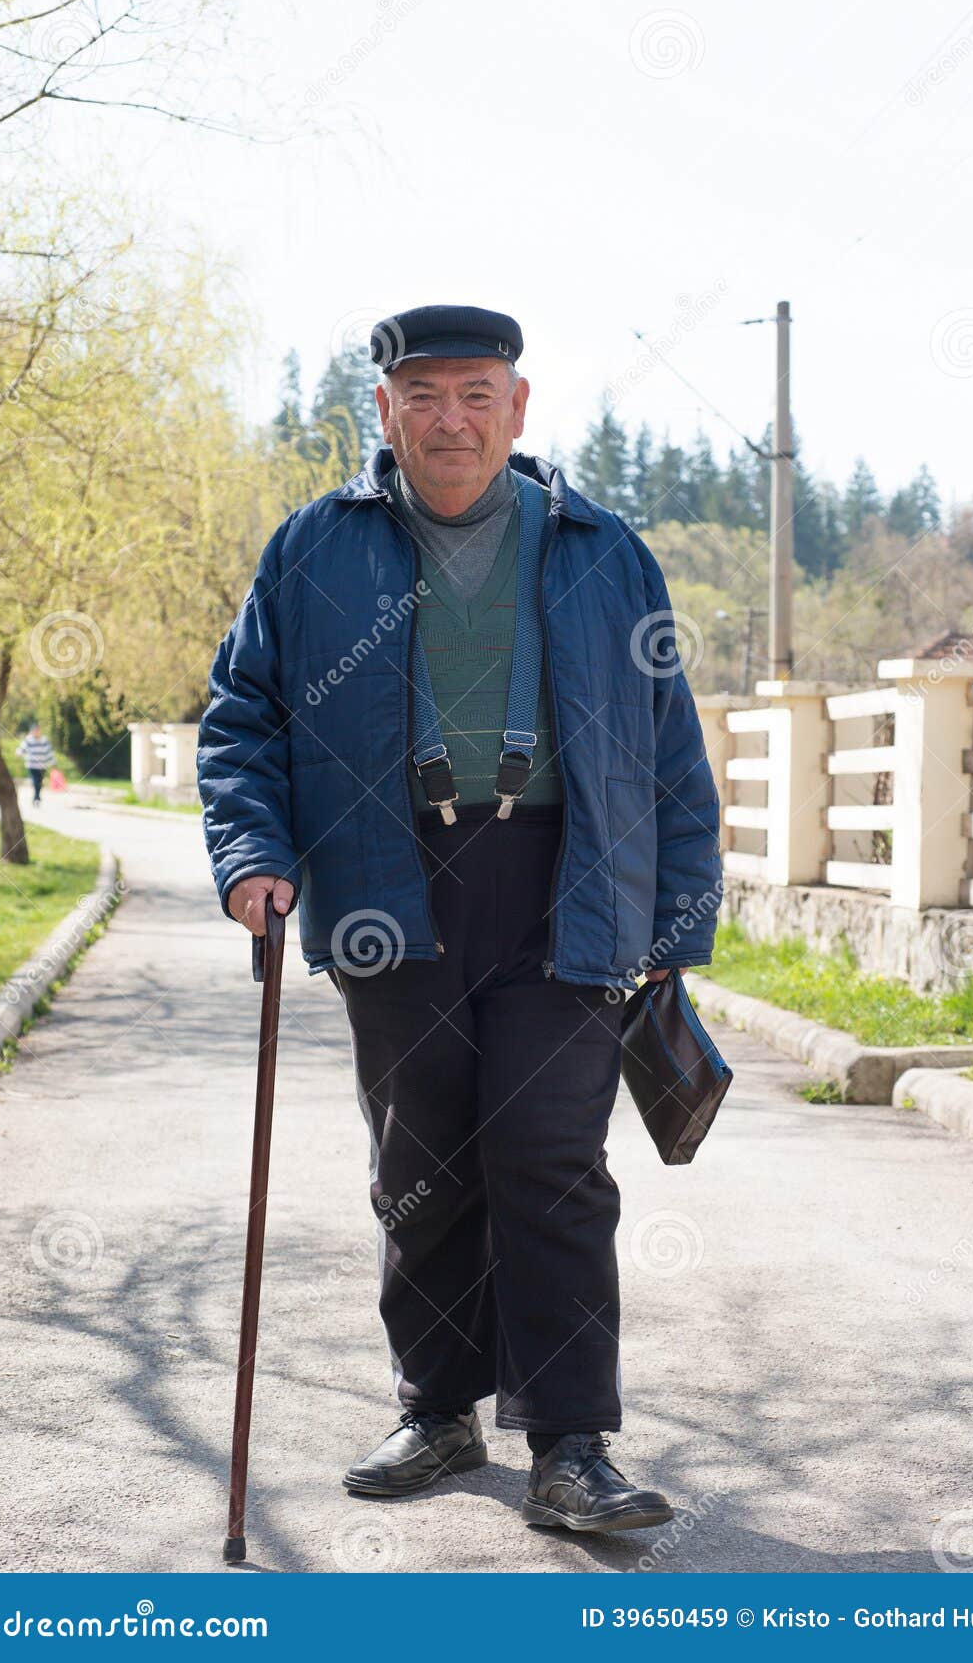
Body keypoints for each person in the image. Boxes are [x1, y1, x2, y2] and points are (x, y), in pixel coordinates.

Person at [198, 305, 722, 1535]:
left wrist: (679, 924)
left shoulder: (601, 549)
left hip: (571, 884)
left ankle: (573, 1443)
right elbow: (243, 718)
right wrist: (253, 856)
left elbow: (670, 751)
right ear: (382, 411)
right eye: (423, 395)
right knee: (420, 1165)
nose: (450, 419)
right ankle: (437, 1409)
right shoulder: (316, 550)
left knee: (548, 1159)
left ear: (519, 408)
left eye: (475, 394)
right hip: (388, 882)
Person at [17, 723, 55, 807]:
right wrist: (18, 753)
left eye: (38, 731)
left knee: (40, 782)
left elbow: (49, 752)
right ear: (32, 731)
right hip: (31, 765)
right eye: (35, 731)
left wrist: (52, 763)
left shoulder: (44, 740)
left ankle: (37, 796)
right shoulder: (28, 740)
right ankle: (37, 798)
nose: (36, 732)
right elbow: (22, 748)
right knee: (35, 782)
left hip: (42, 766)